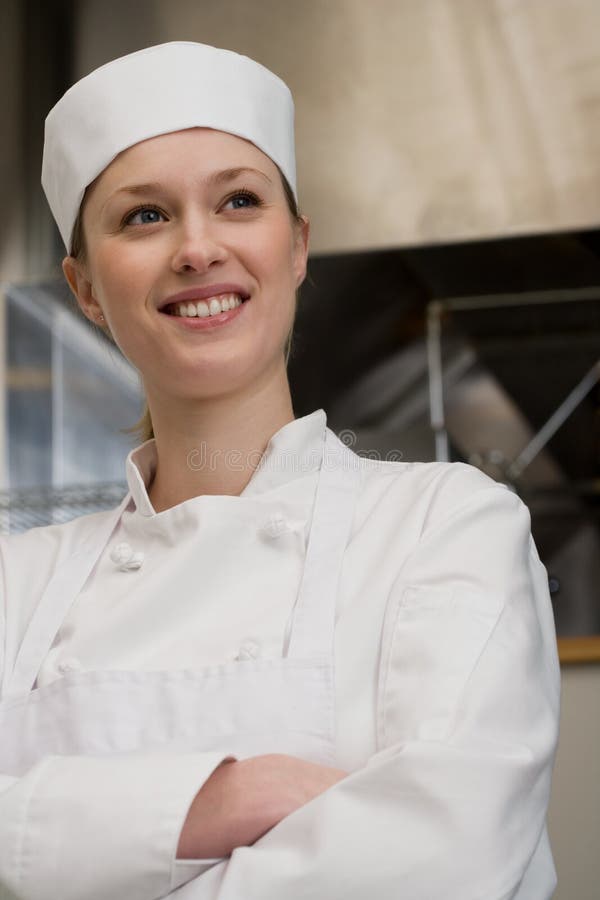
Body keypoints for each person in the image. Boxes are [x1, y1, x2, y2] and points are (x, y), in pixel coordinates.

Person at [0, 41, 560, 900]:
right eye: (143, 216)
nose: (197, 248)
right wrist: (217, 803)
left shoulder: (448, 525)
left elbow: (445, 856)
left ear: (296, 247)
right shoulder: (18, 585)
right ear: (83, 289)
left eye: (238, 200)